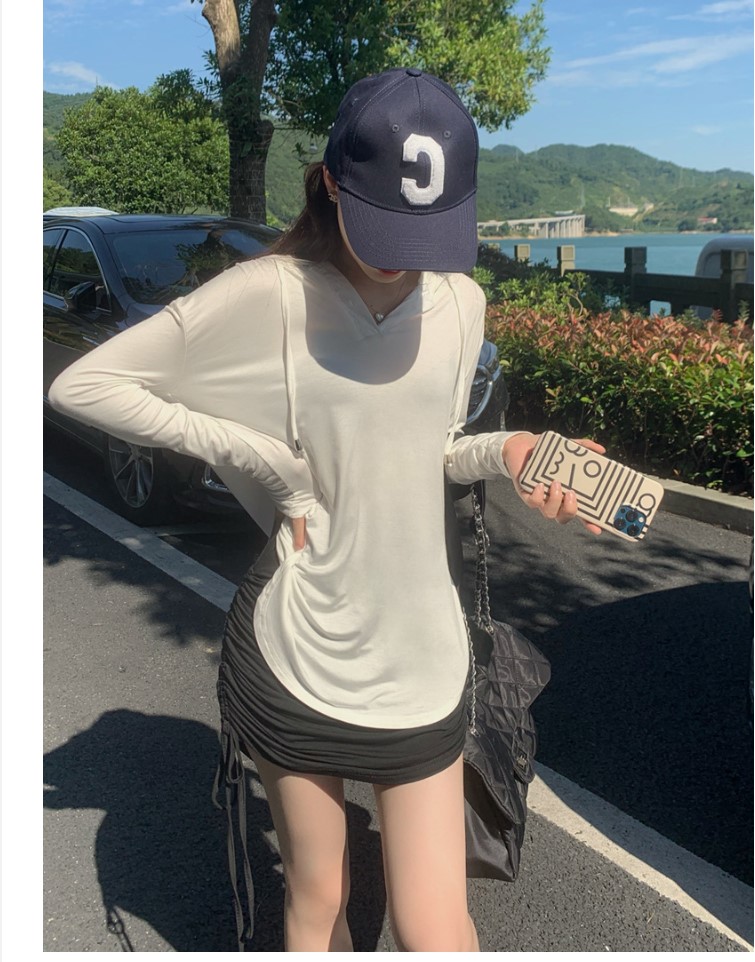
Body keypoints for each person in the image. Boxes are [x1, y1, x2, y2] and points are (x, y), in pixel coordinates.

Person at [48, 67, 604, 952]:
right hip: (298, 650)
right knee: (319, 902)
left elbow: (428, 450)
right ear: (332, 183)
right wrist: (262, 457)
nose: (403, 255)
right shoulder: (268, 294)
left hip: (423, 660)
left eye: (427, 230)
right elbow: (86, 385)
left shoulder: (461, 302)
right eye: (383, 221)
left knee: (437, 923)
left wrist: (508, 450)